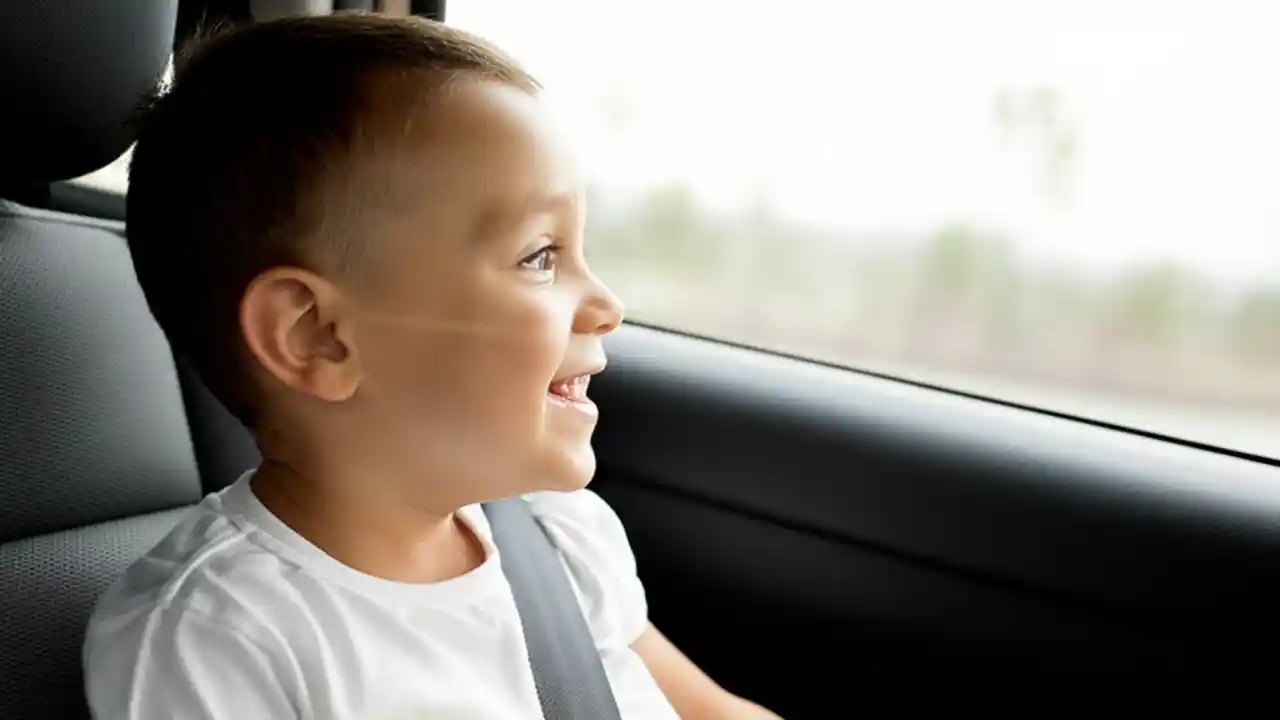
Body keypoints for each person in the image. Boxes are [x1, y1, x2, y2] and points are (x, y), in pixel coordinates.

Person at [82, 12, 779, 720]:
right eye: (541, 256)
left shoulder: (559, 541)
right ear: (319, 336)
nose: (606, 304)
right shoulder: (222, 637)